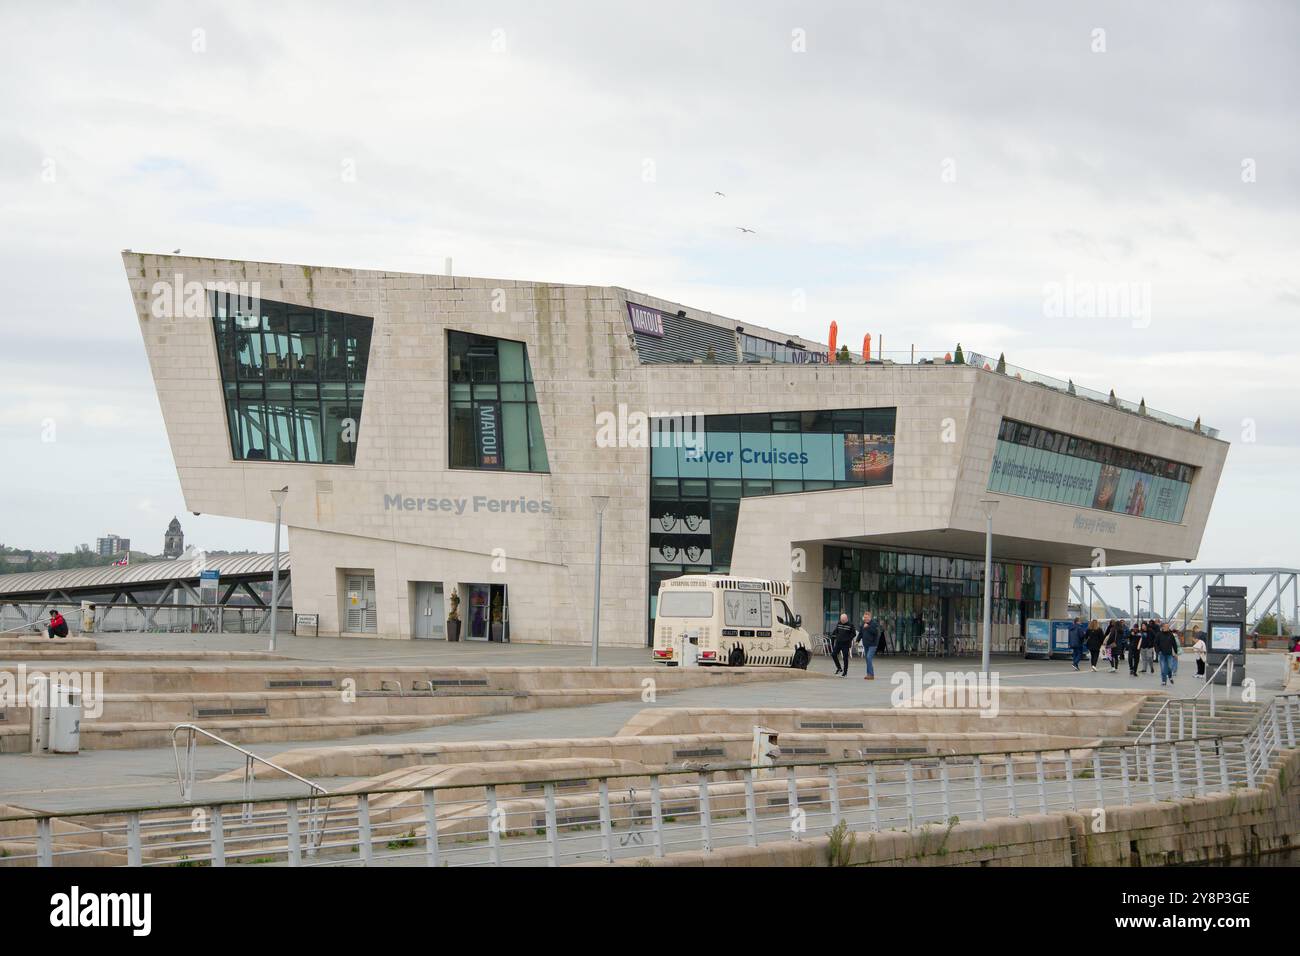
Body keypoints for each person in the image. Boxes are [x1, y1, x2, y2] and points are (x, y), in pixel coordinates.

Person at [859, 611, 884, 681]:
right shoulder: (863, 624)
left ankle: (871, 674)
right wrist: (857, 641)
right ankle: (869, 674)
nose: (865, 619)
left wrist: (868, 627)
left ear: (870, 617)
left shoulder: (874, 624)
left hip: (873, 645)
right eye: (865, 617)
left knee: (869, 657)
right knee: (867, 659)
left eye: (867, 617)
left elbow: (876, 632)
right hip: (866, 644)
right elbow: (861, 633)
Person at [830, 613, 856, 677]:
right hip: (838, 643)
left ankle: (845, 672)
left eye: (843, 620)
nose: (842, 621)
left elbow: (854, 634)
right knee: (833, 654)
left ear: (846, 619)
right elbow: (836, 631)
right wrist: (834, 636)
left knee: (845, 658)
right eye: (841, 620)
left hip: (846, 644)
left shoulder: (850, 625)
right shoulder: (839, 623)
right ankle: (839, 668)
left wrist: (848, 639)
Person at [1156, 622, 1179, 687]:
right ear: (1162, 627)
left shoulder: (1170, 634)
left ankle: (1170, 676)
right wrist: (1158, 651)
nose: (1167, 628)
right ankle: (1164, 681)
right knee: (1163, 668)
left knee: (1170, 667)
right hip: (1162, 654)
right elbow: (1156, 643)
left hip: (1169, 654)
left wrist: (1176, 653)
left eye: (1168, 627)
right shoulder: (1159, 634)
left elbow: (1174, 644)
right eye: (1165, 626)